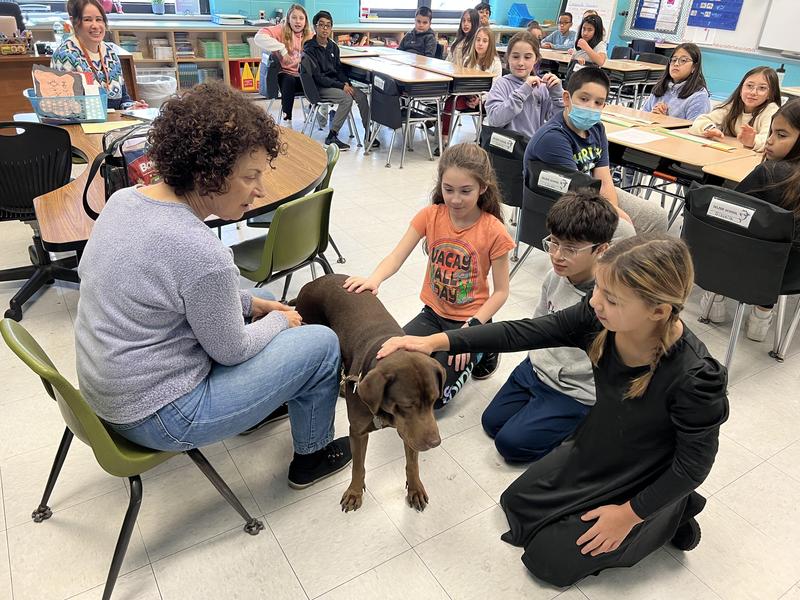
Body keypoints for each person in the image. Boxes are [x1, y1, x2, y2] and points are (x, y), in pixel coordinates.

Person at [378, 234, 729, 587]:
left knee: (548, 559)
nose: (595, 302)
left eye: (611, 298)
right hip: (600, 446)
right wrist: (435, 341)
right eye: (598, 289)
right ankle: (662, 511)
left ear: (658, 310)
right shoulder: (599, 320)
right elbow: (524, 333)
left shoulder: (697, 378)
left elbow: (693, 464)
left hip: (648, 473)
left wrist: (629, 515)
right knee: (515, 503)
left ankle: (672, 515)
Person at [73, 82, 351, 489]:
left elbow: (176, 292)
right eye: (250, 177)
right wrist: (282, 321)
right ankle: (313, 455)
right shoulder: (202, 252)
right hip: (159, 415)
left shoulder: (124, 201)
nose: (259, 191)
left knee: (264, 298)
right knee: (322, 343)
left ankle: (265, 400)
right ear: (208, 173)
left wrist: (259, 306)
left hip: (107, 391)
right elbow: (233, 349)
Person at [343, 143, 515, 406]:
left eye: (465, 191)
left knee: (434, 399)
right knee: (390, 359)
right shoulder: (430, 215)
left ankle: (485, 348)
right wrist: (374, 279)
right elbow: (396, 257)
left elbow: (501, 291)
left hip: (470, 322)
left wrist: (472, 330)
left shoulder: (495, 231)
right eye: (448, 190)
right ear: (440, 185)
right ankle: (457, 348)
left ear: (483, 188)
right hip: (432, 315)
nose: (455, 199)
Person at [482, 190, 618, 463]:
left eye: (570, 248)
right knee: (491, 423)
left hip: (573, 388)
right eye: (553, 243)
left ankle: (583, 423)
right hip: (536, 369)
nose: (557, 255)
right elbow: (537, 327)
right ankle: (541, 412)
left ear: (601, 249)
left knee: (510, 445)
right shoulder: (553, 277)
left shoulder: (607, 300)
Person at [524, 67, 668, 238]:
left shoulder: (597, 129)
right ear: (566, 98)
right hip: (562, 203)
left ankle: (636, 263)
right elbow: (578, 192)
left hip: (591, 192)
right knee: (622, 230)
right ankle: (613, 263)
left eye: (598, 103)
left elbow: (604, 180)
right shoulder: (553, 137)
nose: (591, 107)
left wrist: (614, 210)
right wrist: (615, 215)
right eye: (584, 99)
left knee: (656, 217)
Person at [702, 98, 800, 340]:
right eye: (771, 132)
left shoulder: (769, 173)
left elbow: (726, 215)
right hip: (791, 278)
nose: (769, 140)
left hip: (741, 267)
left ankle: (716, 297)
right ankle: (762, 315)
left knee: (726, 225)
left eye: (781, 135)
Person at [50, 0, 146, 110]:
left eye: (99, 19)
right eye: (87, 20)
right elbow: (68, 109)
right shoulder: (65, 56)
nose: (95, 25)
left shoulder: (110, 53)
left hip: (113, 123)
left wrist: (132, 107)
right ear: (74, 22)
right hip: (82, 125)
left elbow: (123, 100)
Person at [303, 11, 377, 151]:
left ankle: (369, 134)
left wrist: (347, 83)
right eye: (321, 25)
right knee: (346, 99)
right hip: (320, 87)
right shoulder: (309, 48)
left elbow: (339, 70)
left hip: (335, 84)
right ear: (315, 27)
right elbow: (318, 77)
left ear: (331, 28)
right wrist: (341, 86)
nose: (325, 28)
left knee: (361, 96)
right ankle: (332, 136)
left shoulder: (333, 47)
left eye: (328, 26)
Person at [484, 31, 563, 139]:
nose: (521, 62)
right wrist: (523, 92)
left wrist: (557, 96)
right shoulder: (502, 84)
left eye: (527, 57)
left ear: (536, 59)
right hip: (505, 151)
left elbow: (558, 123)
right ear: (508, 58)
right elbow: (494, 120)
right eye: (515, 57)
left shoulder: (542, 88)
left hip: (531, 148)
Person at [437, 26, 502, 156]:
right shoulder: (468, 60)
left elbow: (496, 89)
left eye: (484, 41)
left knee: (490, 105)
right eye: (478, 40)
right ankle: (444, 141)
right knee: (450, 102)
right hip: (467, 96)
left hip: (486, 100)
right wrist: (468, 96)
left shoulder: (495, 63)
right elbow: (462, 81)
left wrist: (480, 99)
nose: (480, 43)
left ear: (490, 44)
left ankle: (483, 141)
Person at [689, 66, 781, 152]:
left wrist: (752, 141)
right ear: (741, 89)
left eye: (762, 88)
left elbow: (769, 140)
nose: (753, 92)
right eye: (749, 86)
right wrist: (710, 129)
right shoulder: (732, 105)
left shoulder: (771, 110)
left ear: (771, 94)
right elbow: (700, 121)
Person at [255, 3, 313, 122]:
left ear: (306, 21)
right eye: (294, 18)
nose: (298, 22)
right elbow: (258, 38)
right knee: (289, 80)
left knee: (320, 79)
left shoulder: (310, 34)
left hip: (303, 76)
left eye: (301, 18)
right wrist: (282, 49)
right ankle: (287, 119)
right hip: (285, 74)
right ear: (288, 19)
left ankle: (317, 111)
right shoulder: (281, 29)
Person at [641, 43, 711, 120]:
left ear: (694, 67)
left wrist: (664, 120)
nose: (676, 64)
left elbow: (693, 129)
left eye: (683, 60)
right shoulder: (661, 87)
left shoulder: (698, 96)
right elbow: (643, 115)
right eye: (674, 60)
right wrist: (652, 116)